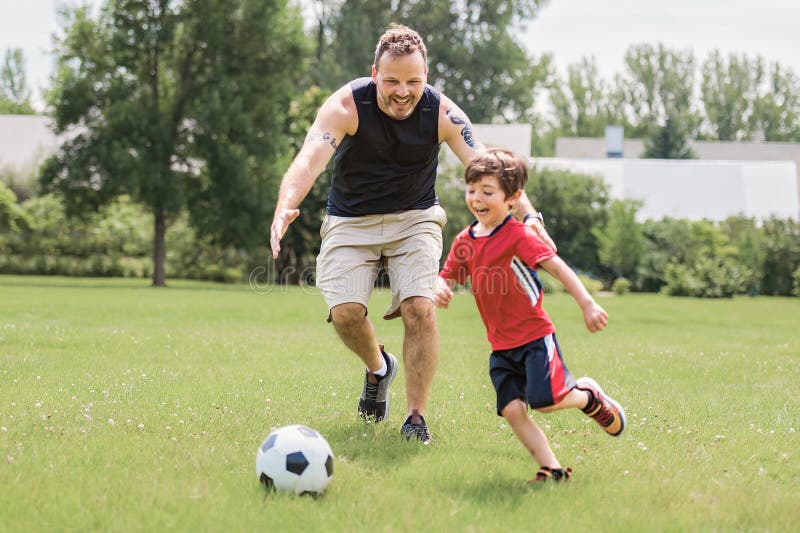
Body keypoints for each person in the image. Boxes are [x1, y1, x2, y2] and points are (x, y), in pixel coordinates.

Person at [270, 24, 554, 444]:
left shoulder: (443, 114)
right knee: (346, 314)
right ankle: (379, 367)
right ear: (374, 74)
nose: (402, 91)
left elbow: (492, 169)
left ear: (426, 77)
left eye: (413, 82)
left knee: (420, 306)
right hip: (351, 221)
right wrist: (284, 205)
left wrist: (531, 218)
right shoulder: (345, 106)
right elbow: (308, 160)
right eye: (391, 81)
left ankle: (415, 417)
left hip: (414, 219)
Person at [433, 148, 626, 482]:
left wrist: (587, 302)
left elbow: (558, 267)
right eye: (472, 190)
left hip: (535, 338)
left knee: (546, 402)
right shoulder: (466, 239)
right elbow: (447, 273)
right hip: (501, 346)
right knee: (512, 410)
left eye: (488, 192)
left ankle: (588, 396)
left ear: (513, 198)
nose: (477, 198)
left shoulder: (519, 236)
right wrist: (439, 287)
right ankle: (551, 468)